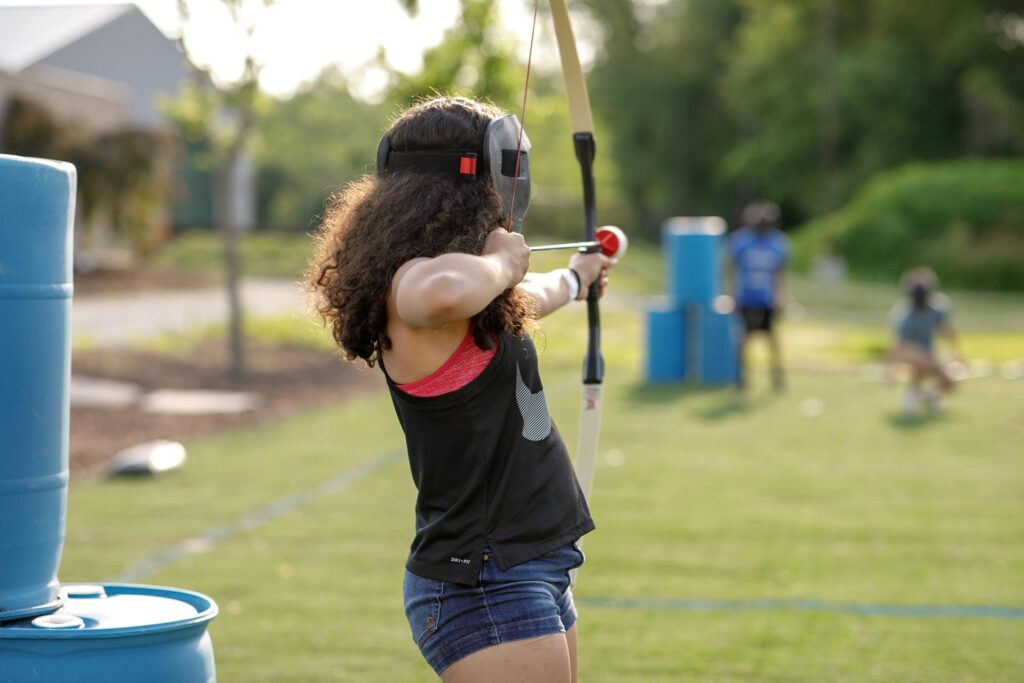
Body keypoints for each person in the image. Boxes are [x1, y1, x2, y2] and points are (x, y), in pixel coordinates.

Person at [308, 96, 616, 683]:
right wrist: (503, 261)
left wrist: (579, 276)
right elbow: (446, 288)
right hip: (482, 581)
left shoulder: (478, 294)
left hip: (528, 565)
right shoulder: (413, 287)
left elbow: (530, 299)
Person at [727, 200, 790, 391]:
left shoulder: (777, 242)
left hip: (766, 299)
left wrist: (779, 295)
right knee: (744, 340)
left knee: (772, 340)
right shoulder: (742, 241)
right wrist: (733, 294)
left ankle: (777, 378)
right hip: (747, 297)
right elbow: (730, 268)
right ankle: (741, 379)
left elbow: (780, 272)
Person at [888, 267, 961, 417]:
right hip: (912, 356)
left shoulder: (937, 309)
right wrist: (890, 368)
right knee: (920, 360)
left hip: (931, 353)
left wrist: (957, 353)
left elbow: (946, 332)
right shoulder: (905, 316)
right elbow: (900, 346)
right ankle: (913, 395)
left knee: (950, 380)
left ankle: (929, 394)